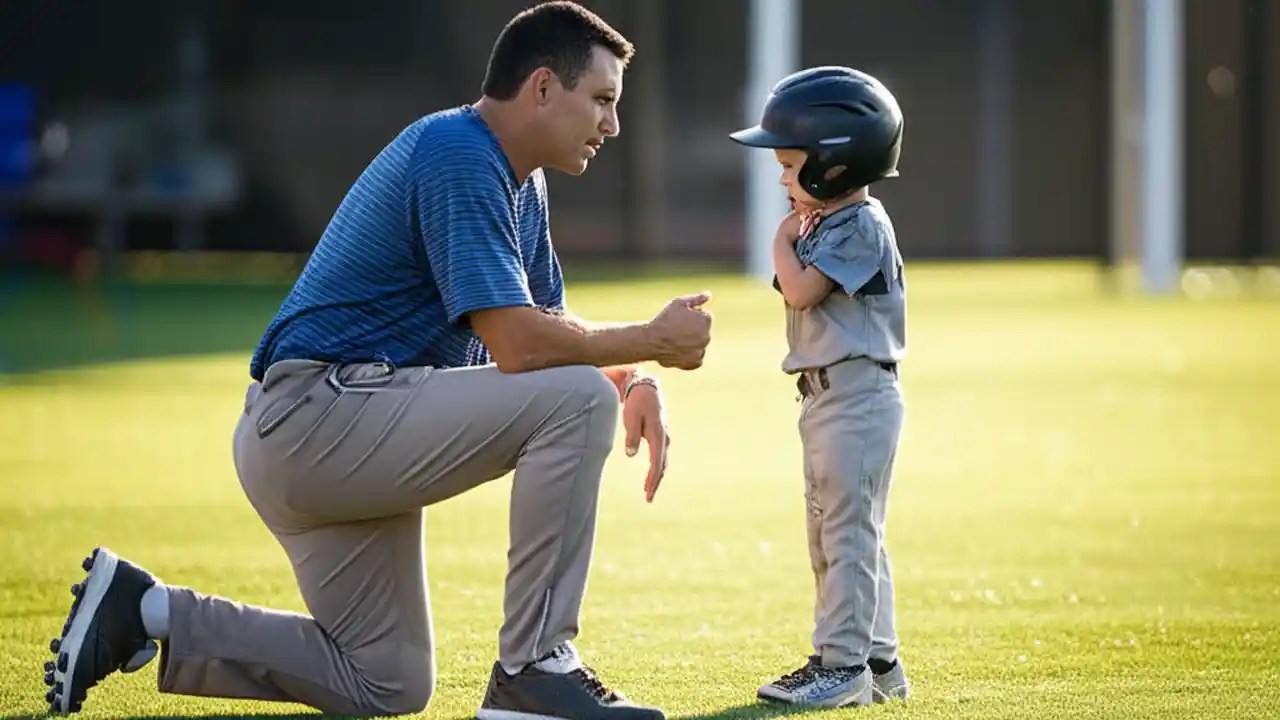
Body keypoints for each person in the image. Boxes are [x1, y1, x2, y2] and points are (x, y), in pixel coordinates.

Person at [43, 3, 712, 718]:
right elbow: (522, 349)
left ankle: (144, 611)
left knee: (386, 681)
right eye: (603, 100)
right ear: (543, 88)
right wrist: (649, 341)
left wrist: (632, 377)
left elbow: (552, 328)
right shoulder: (461, 152)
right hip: (318, 419)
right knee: (577, 399)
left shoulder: (521, 178)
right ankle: (534, 669)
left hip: (326, 431)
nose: (612, 124)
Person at [729, 66, 912, 708]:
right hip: (828, 397)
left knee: (848, 535)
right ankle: (878, 660)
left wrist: (780, 239)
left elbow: (803, 289)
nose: (782, 179)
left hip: (858, 397)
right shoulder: (828, 222)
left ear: (831, 166)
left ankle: (842, 664)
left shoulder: (860, 223)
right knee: (841, 534)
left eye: (789, 165)